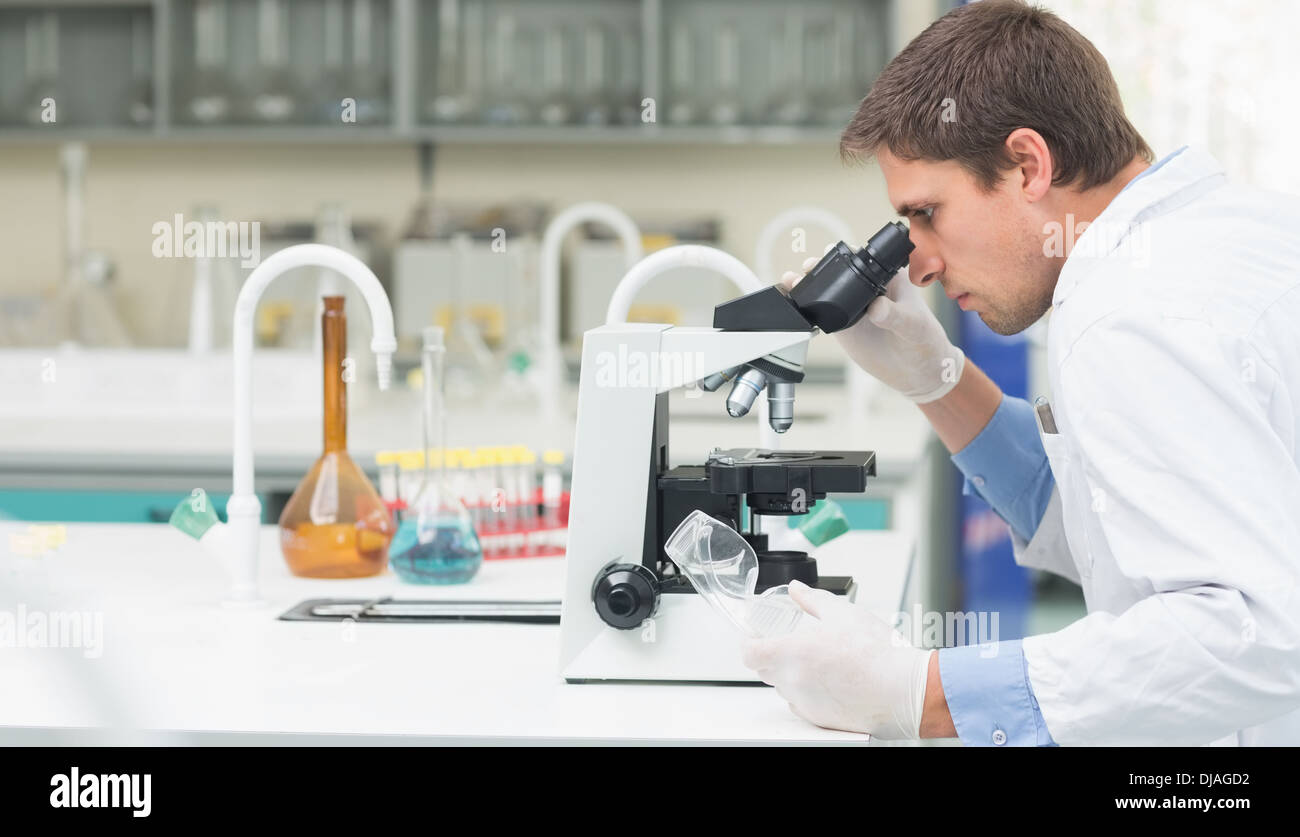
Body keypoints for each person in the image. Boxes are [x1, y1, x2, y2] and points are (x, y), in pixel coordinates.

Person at [742, 0, 1300, 746]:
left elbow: (1255, 627)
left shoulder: (1125, 313)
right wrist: (935, 377)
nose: (922, 261)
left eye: (929, 213)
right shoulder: (1226, 236)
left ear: (1029, 164)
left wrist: (926, 693)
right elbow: (1107, 522)